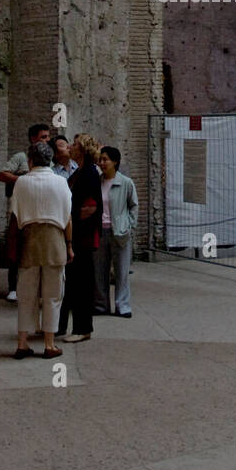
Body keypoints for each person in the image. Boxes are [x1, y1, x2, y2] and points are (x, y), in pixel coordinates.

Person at [10, 141, 73, 359]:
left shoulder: (21, 182)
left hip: (28, 240)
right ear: (51, 158)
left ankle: (22, 342)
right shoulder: (61, 182)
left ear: (30, 160)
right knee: (53, 295)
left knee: (26, 293)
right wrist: (70, 245)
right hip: (55, 240)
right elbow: (67, 217)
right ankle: (49, 343)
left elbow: (15, 216)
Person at [56, 134, 103, 343]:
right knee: (72, 282)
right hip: (76, 234)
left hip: (82, 237)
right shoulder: (80, 172)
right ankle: (61, 326)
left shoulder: (89, 174)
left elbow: (90, 208)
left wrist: (71, 219)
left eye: (74, 144)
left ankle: (83, 328)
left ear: (82, 149)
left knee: (82, 283)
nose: (71, 147)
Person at [0, 124, 51, 300]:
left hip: (40, 210)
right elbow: (2, 174)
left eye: (48, 137)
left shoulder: (49, 159)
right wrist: (24, 180)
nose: (47, 140)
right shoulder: (21, 157)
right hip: (20, 209)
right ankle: (13, 287)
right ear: (33, 139)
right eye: (43, 137)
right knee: (16, 246)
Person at [94, 147, 139, 318]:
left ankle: (123, 305)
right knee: (100, 270)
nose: (102, 163)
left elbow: (133, 205)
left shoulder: (125, 182)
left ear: (115, 162)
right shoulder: (97, 181)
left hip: (120, 231)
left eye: (105, 160)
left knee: (121, 271)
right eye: (100, 160)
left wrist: (129, 225)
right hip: (100, 230)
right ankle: (100, 304)